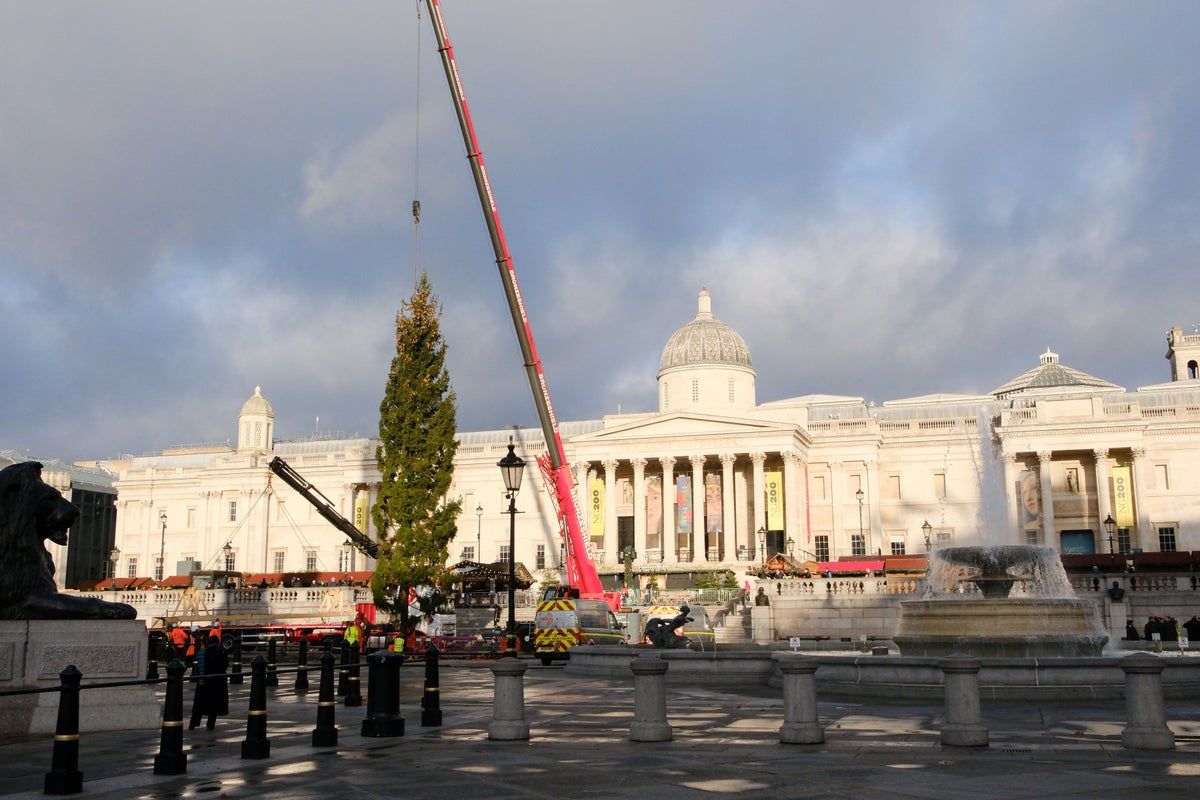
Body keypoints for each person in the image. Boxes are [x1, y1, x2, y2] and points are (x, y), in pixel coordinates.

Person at [189, 634, 229, 731]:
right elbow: (225, 666)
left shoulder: (203, 652)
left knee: (199, 705)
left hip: (204, 681)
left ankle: (193, 724)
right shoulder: (222, 652)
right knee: (213, 706)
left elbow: (199, 666)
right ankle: (210, 724)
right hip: (217, 682)